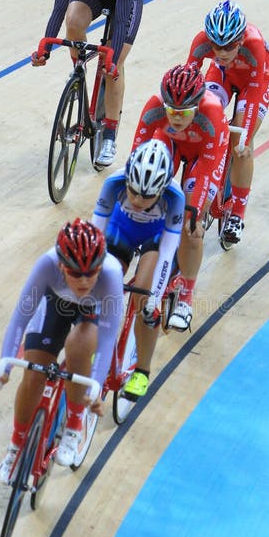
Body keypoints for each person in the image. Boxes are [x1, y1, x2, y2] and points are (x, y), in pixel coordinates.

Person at [0, 219, 124, 481]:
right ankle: (16, 446)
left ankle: (73, 426)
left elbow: (107, 338)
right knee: (34, 373)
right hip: (53, 302)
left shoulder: (111, 275)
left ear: (101, 267)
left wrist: (95, 384)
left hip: (90, 311)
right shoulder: (46, 265)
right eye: (75, 274)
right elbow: (20, 317)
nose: (83, 281)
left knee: (80, 346)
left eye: (91, 273)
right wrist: (6, 365)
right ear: (61, 266)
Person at [31, 0, 143, 169]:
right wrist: (45, 50)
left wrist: (113, 62)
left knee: (115, 65)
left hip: (124, 3)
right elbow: (59, 9)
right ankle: (79, 67)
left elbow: (123, 19)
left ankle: (110, 137)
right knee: (72, 21)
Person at [131, 64, 228, 332]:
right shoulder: (155, 107)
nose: (175, 117)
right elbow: (137, 156)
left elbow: (209, 168)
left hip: (204, 154)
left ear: (196, 107)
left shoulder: (212, 114)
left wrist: (196, 210)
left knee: (191, 227)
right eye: (171, 111)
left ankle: (186, 296)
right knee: (146, 192)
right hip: (169, 143)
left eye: (183, 113)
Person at [91, 138, 185, 399]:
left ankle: (142, 371)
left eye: (147, 196)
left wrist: (154, 295)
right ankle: (94, 342)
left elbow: (167, 253)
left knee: (143, 299)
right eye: (133, 191)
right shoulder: (113, 183)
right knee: (99, 287)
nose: (137, 199)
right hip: (121, 229)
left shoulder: (175, 197)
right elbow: (95, 233)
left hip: (155, 238)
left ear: (162, 189)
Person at [186, 0, 269, 245]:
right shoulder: (201, 41)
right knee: (204, 122)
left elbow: (255, 94)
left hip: (255, 83)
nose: (221, 53)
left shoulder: (255, 45)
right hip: (222, 76)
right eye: (216, 46)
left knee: (240, 143)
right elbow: (188, 82)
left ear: (240, 41)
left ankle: (237, 213)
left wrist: (244, 138)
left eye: (228, 47)